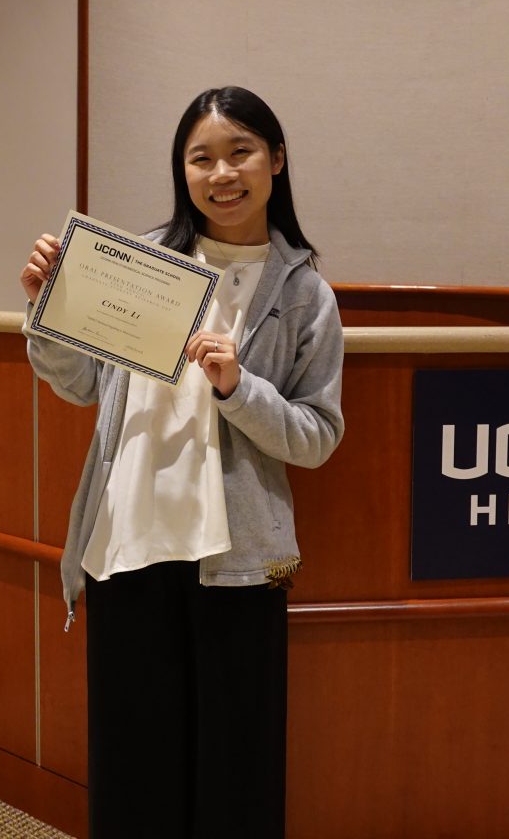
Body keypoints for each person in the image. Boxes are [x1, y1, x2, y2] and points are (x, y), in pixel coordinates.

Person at [19, 86, 345, 838]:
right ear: (182, 171)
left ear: (276, 161)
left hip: (236, 558)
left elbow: (317, 436)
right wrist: (47, 311)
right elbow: (78, 387)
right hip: (127, 540)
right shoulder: (139, 268)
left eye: (241, 153)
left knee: (237, 768)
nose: (222, 173)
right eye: (202, 158)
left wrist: (237, 387)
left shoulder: (303, 295)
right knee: (133, 768)